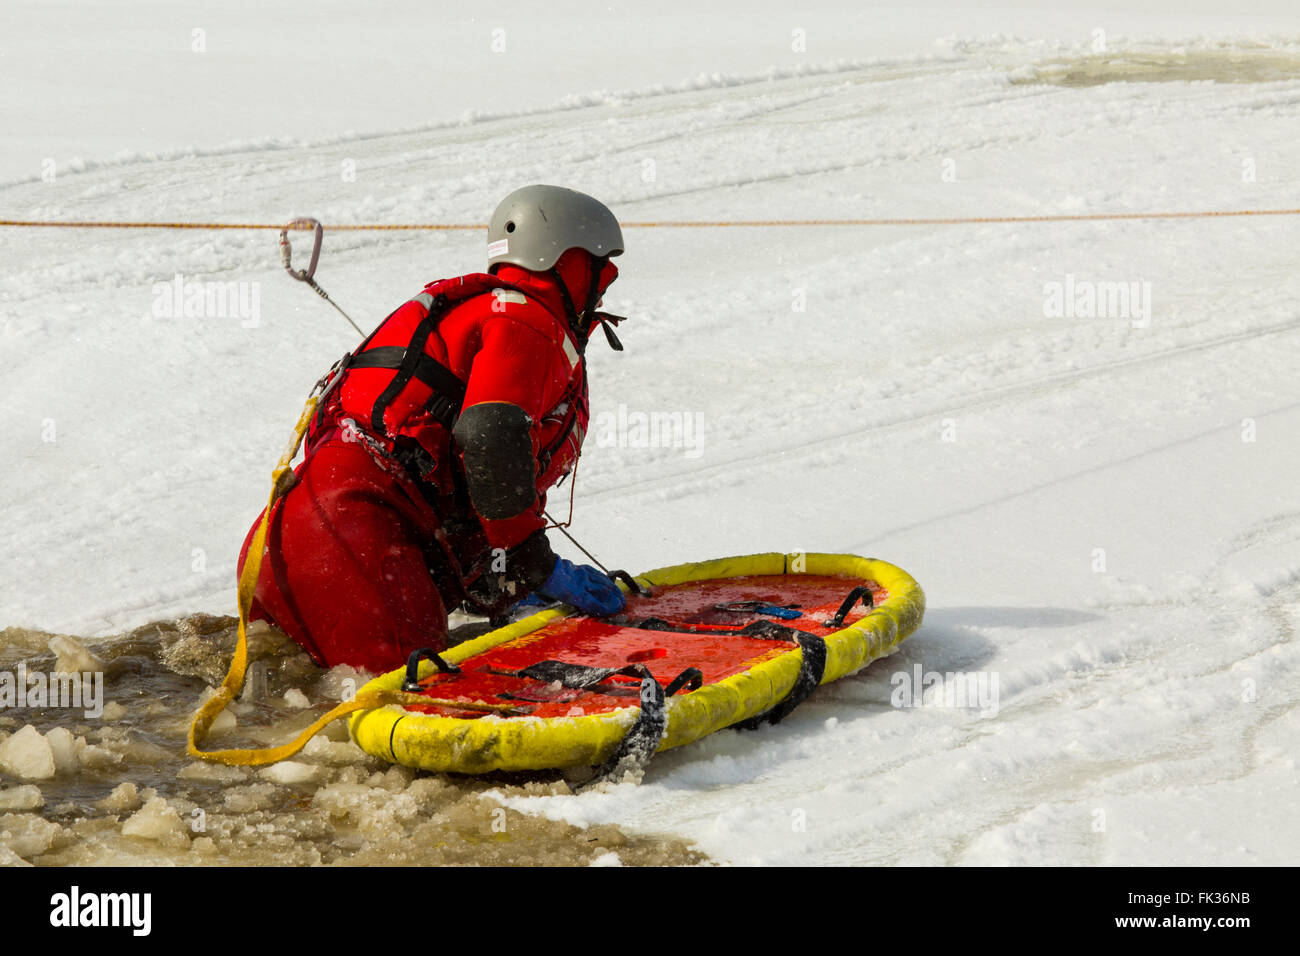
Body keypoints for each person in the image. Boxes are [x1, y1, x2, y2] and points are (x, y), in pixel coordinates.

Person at [237, 185, 628, 673]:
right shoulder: (528, 322)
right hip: (358, 537)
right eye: (601, 267)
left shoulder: (481, 313)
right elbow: (491, 435)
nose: (608, 281)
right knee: (415, 710)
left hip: (293, 537)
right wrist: (537, 562)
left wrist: (507, 579)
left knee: (284, 703)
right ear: (570, 262)